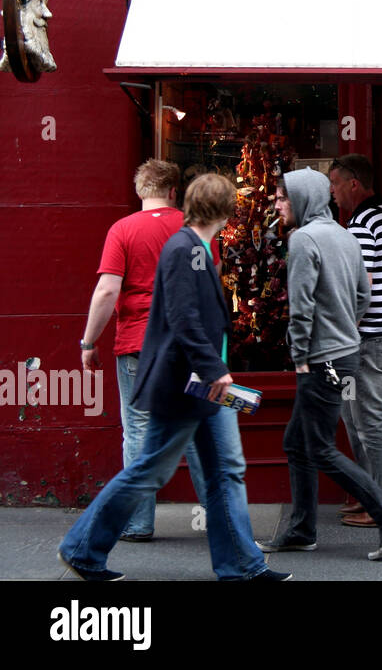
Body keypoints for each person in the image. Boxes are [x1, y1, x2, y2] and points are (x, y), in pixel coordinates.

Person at [58, 174, 289, 581]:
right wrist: (216, 368)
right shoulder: (186, 249)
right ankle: (81, 549)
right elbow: (185, 316)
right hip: (186, 383)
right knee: (151, 469)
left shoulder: (193, 247)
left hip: (201, 383)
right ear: (223, 209)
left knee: (225, 469)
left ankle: (243, 566)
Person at [260, 168, 382, 560]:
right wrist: (346, 325)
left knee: (318, 446)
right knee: (298, 443)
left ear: (303, 199)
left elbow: (301, 309)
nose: (277, 205)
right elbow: (364, 292)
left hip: (319, 358)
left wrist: (299, 357)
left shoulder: (305, 239)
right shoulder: (345, 235)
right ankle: (301, 529)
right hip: (345, 353)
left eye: (283, 198)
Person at [78, 159, 207, 542]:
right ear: (173, 192)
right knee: (197, 431)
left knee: (138, 429)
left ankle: (137, 522)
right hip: (188, 347)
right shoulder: (193, 229)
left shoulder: (122, 230)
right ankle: (221, 517)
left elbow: (107, 290)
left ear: (141, 192)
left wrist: (88, 341)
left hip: (139, 344)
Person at [327, 154, 382, 528]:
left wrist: (343, 332)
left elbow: (363, 287)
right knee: (353, 414)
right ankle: (369, 495)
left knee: (371, 421)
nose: (332, 193)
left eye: (334, 184)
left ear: (353, 185)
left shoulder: (362, 223)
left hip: (372, 340)